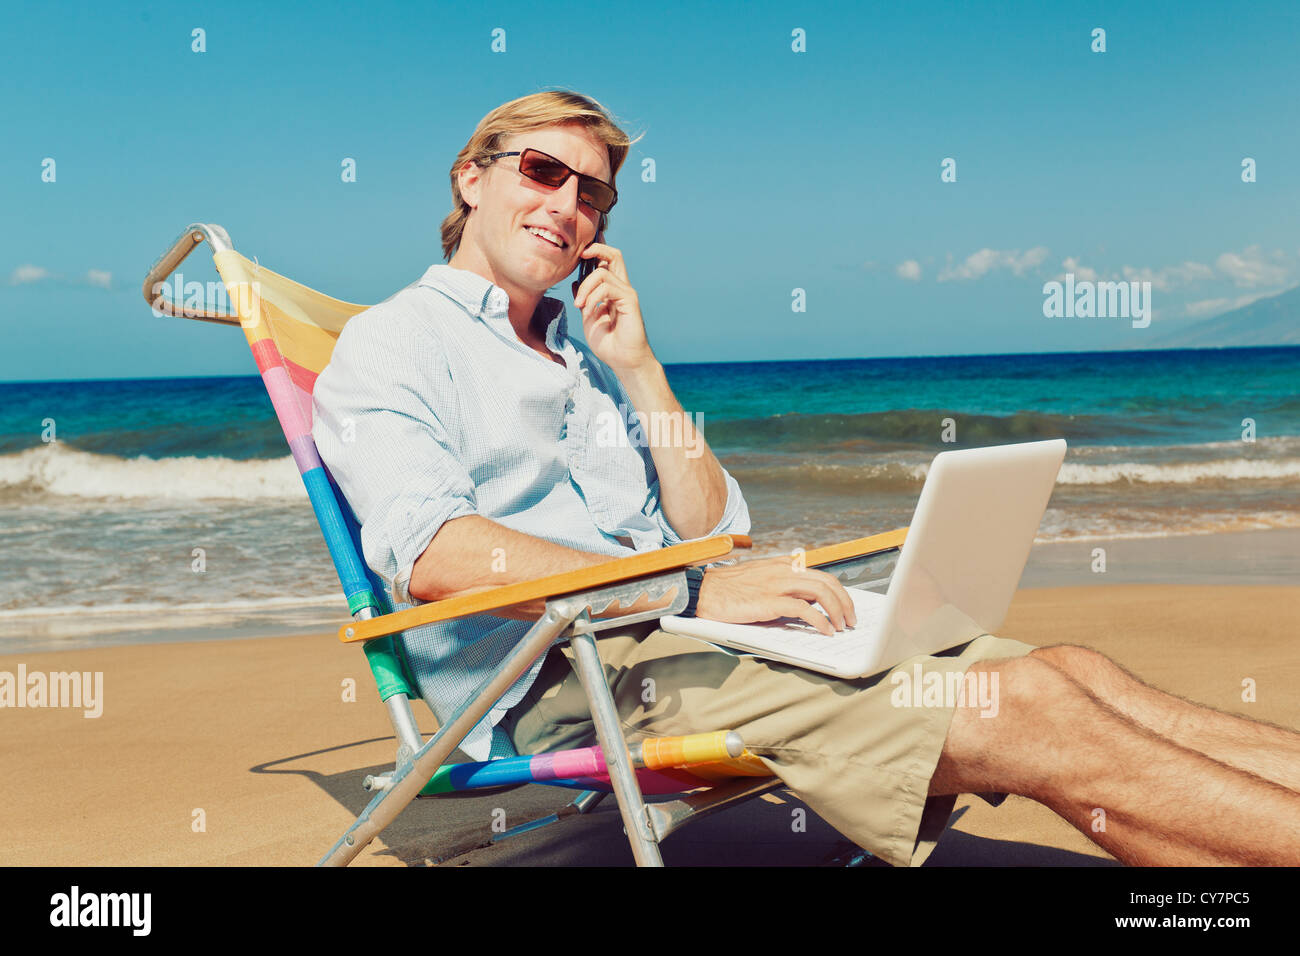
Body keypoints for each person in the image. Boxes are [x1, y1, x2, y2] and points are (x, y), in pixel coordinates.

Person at [312, 90, 1300, 866]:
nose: (568, 207)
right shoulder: (392, 342)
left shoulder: (583, 358)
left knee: (1068, 670)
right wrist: (692, 588)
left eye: (594, 193)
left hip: (675, 638)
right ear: (470, 178)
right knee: (1027, 711)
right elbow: (438, 555)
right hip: (569, 684)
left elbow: (716, 525)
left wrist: (640, 365)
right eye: (543, 172)